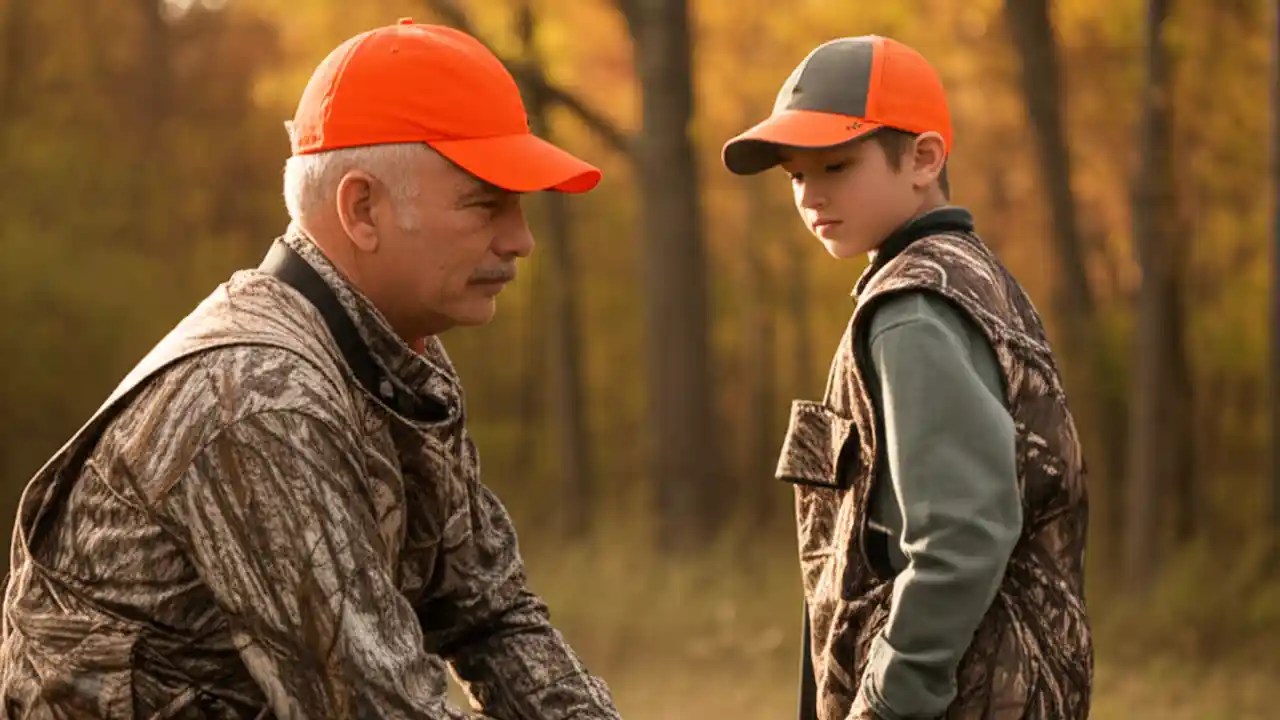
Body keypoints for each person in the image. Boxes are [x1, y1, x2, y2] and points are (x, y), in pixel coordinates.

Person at [0, 18, 620, 719]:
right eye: (486, 205)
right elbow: (374, 708)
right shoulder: (258, 400)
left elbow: (491, 616)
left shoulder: (399, 362)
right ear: (362, 209)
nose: (521, 240)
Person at [722, 36, 1092, 720]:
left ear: (924, 159)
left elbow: (963, 534)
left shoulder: (913, 311)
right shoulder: (974, 279)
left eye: (835, 164)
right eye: (795, 175)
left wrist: (891, 700)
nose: (811, 196)